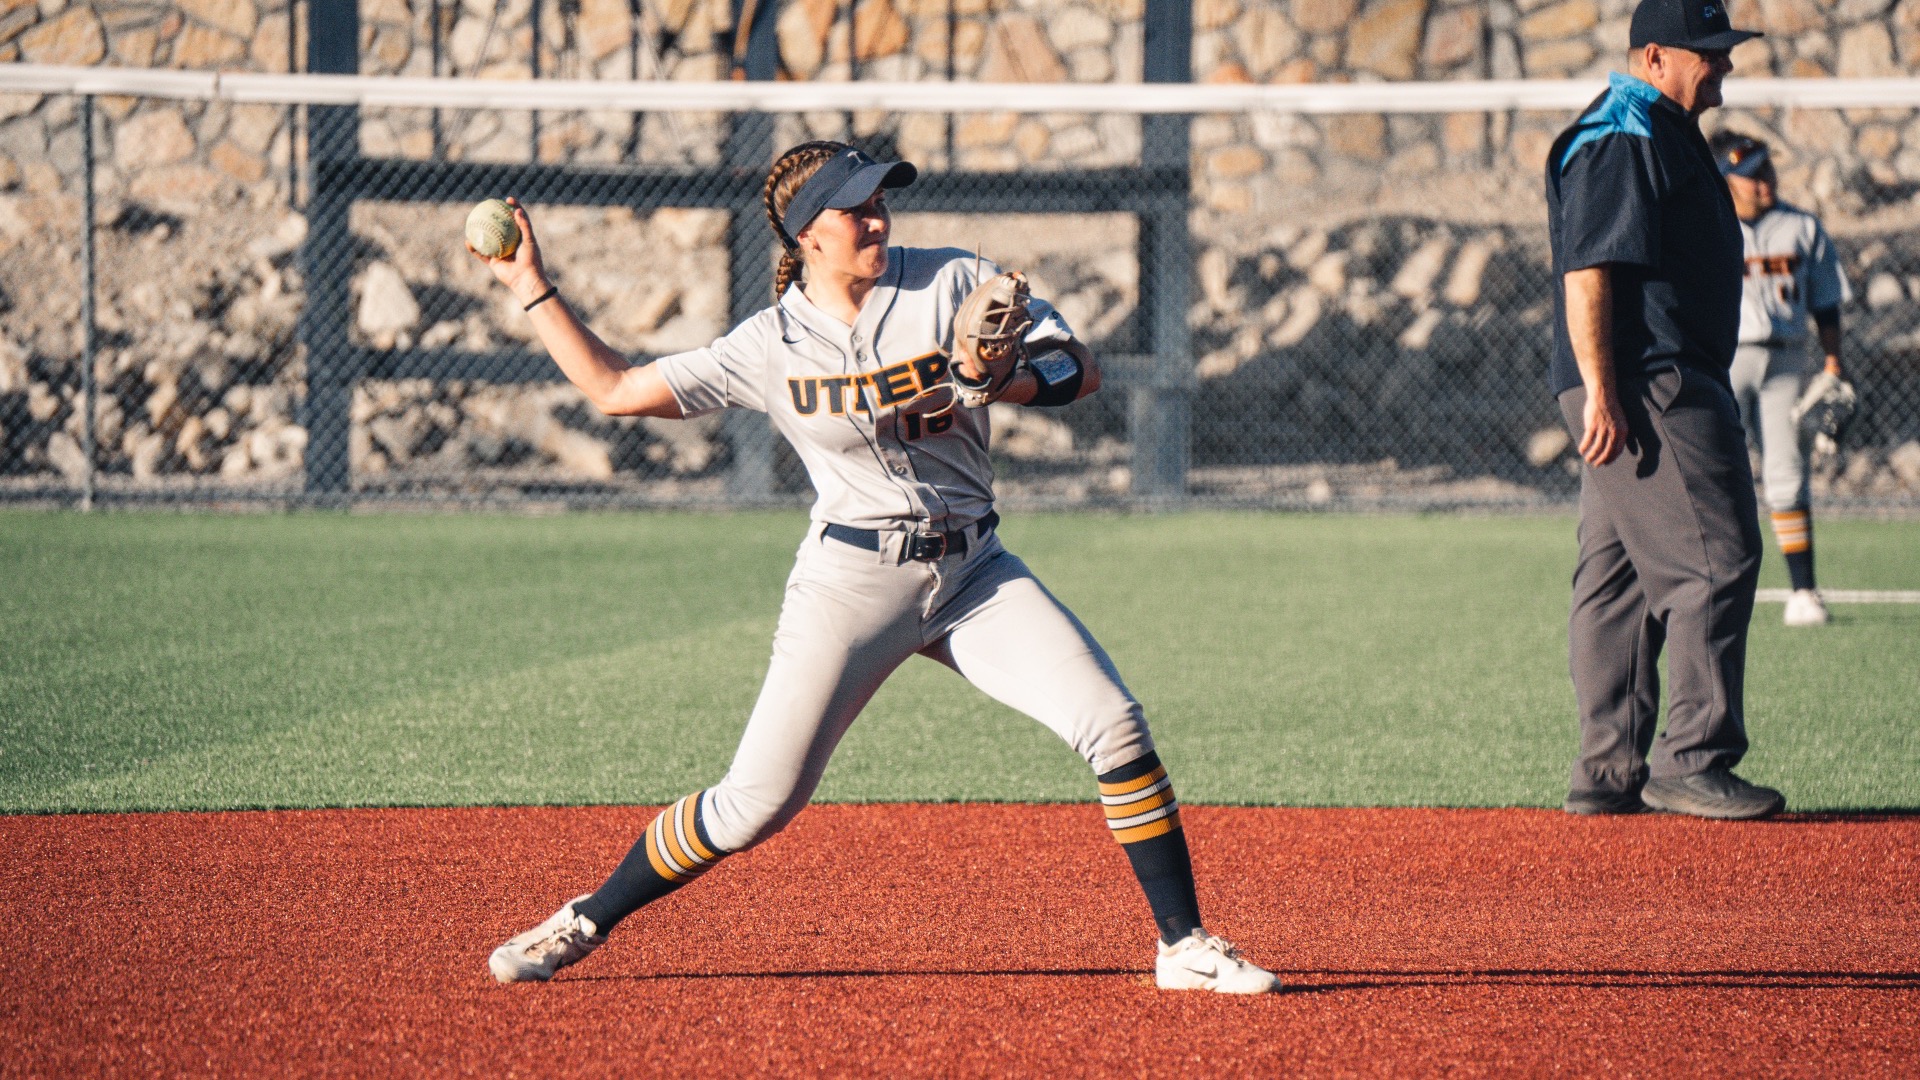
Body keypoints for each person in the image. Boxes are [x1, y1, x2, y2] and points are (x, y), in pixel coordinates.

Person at [470, 141, 1280, 994]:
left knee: (1113, 721)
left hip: (974, 573)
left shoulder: (953, 282)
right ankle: (585, 918)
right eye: (854, 206)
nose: (876, 217)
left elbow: (1079, 370)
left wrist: (996, 380)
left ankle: (1183, 945)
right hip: (852, 583)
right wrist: (530, 285)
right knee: (756, 804)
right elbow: (615, 390)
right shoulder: (769, 344)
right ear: (806, 234)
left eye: (880, 199)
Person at [1544, 0, 1786, 819]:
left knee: (1615, 581)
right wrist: (1605, 388)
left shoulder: (1659, 127)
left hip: (1636, 379)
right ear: (1654, 56)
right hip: (1651, 380)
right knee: (1715, 556)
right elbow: (1590, 272)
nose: (1722, 65)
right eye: (1706, 52)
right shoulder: (1625, 132)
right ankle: (1694, 756)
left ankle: (1605, 773)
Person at [1708, 131, 1852, 627]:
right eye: (1752, 176)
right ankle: (1706, 582)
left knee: (1788, 471)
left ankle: (1803, 591)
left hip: (1785, 360)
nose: (1765, 182)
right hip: (1723, 359)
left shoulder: (1800, 226)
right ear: (1727, 181)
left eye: (1767, 171)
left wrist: (1833, 362)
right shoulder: (1707, 225)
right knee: (1709, 469)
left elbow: (1826, 302)